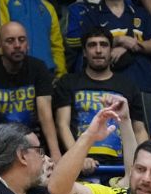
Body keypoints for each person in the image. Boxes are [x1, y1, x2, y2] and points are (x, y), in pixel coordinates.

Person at [52, 31, 145, 173]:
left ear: (111, 50)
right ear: (84, 52)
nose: (98, 50)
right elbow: (62, 124)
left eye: (104, 45)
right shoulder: (68, 82)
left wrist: (142, 163)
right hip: (80, 164)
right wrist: (78, 157)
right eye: (92, 45)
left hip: (121, 165)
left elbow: (139, 130)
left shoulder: (128, 85)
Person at [0, 22, 61, 158]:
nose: (17, 45)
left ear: (28, 44)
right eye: (10, 41)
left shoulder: (39, 68)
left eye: (22, 40)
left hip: (33, 142)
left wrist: (55, 152)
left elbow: (46, 115)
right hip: (0, 144)